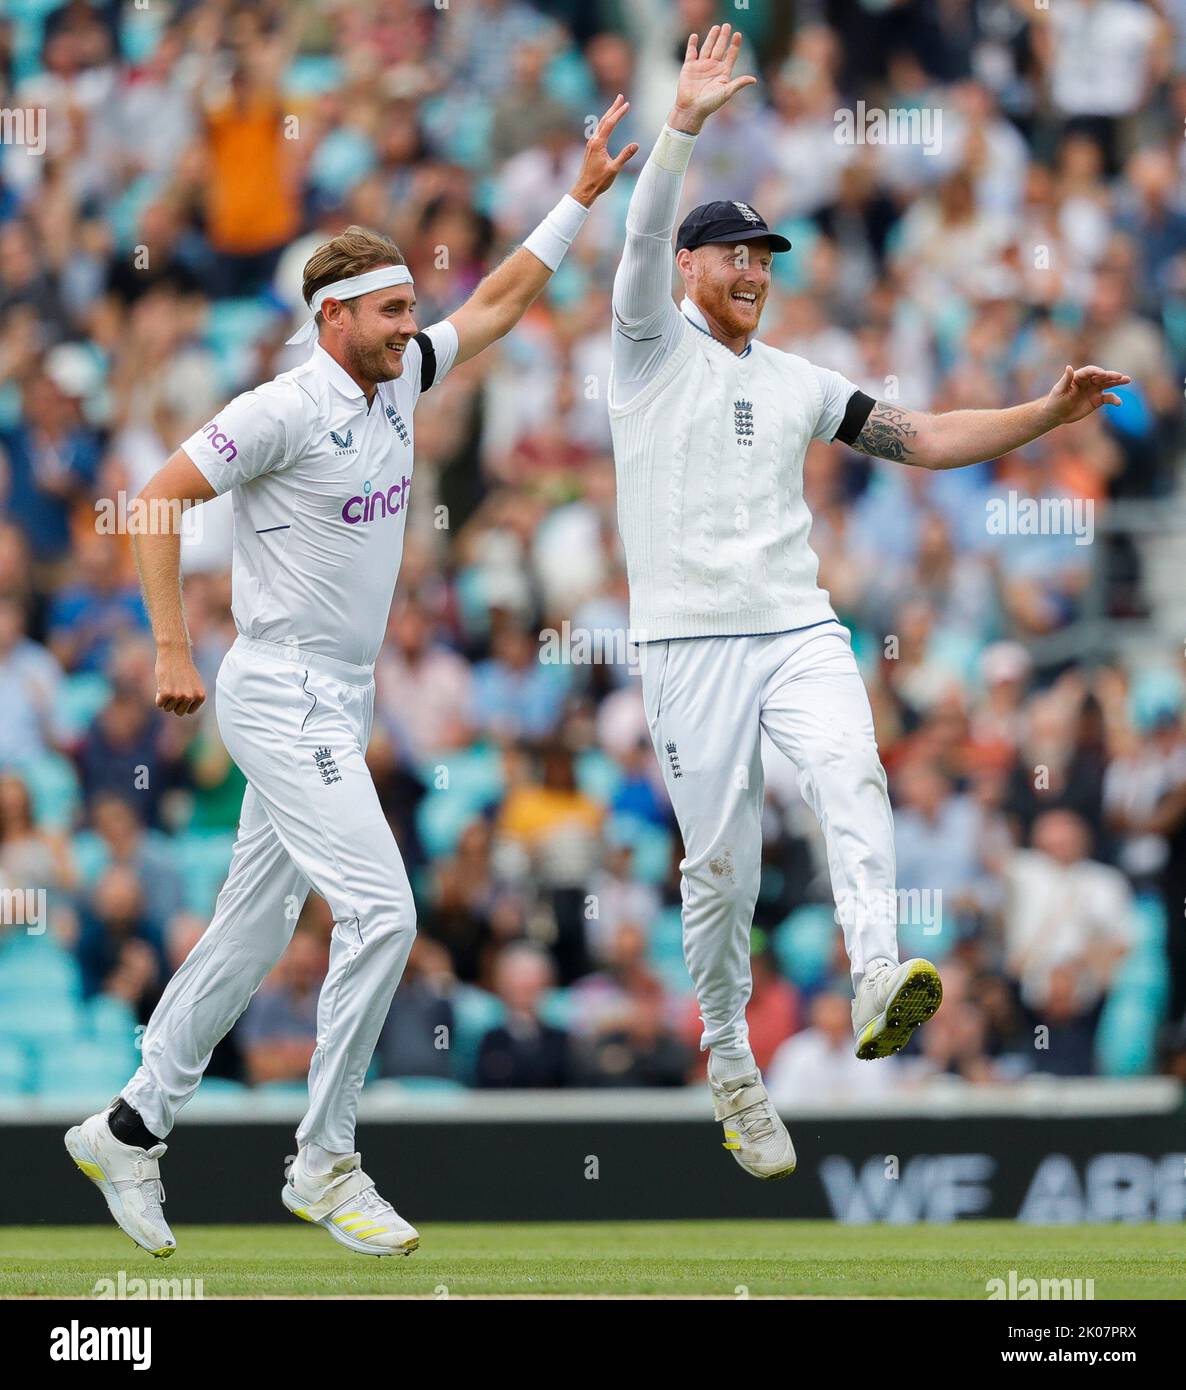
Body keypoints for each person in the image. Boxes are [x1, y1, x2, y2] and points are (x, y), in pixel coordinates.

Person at [64, 93, 638, 1260]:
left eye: (407, 310)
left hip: (341, 692)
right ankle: (323, 1159)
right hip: (276, 687)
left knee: (250, 924)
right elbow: (158, 502)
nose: (407, 326)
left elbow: (500, 302)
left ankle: (131, 1122)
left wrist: (575, 201)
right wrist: (173, 646)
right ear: (331, 316)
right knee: (383, 910)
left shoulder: (401, 375)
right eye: (387, 310)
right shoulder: (279, 408)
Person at [609, 24, 1130, 1181]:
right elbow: (644, 228)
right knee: (721, 871)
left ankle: (875, 971)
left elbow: (924, 435)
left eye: (765, 257)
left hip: (794, 623)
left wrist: (1040, 416)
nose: (753, 270)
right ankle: (734, 1067)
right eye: (734, 255)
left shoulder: (799, 379)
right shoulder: (644, 344)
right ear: (692, 270)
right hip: (688, 643)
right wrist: (684, 121)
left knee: (853, 768)